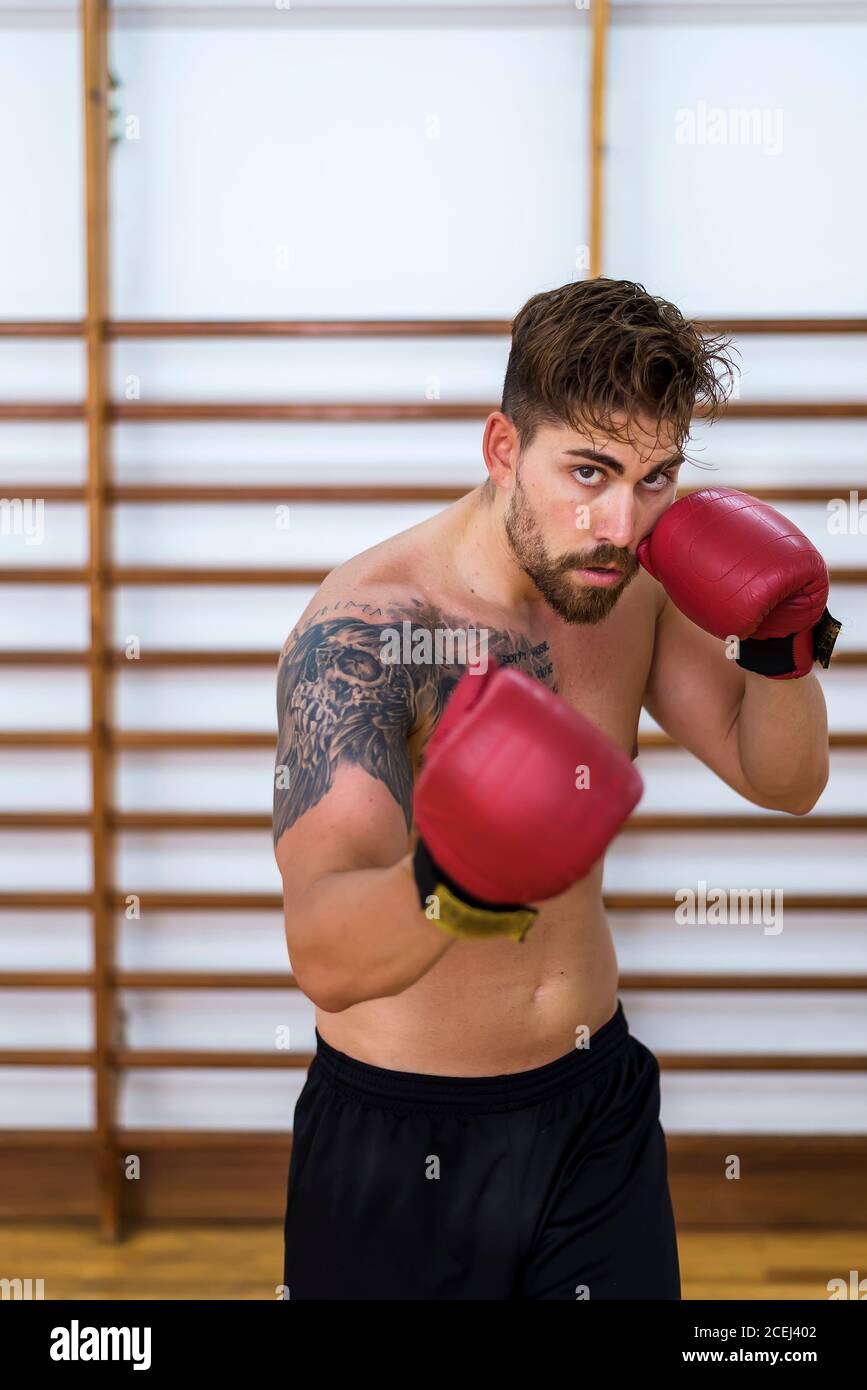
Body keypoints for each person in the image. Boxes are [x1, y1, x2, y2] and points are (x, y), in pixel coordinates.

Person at [273, 277, 839, 1300]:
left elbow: (784, 778)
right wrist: (463, 878)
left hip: (594, 1108)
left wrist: (784, 643)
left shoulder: (628, 586)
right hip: (404, 1138)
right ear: (501, 448)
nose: (622, 522)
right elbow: (322, 951)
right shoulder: (369, 631)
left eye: (655, 476)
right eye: (589, 471)